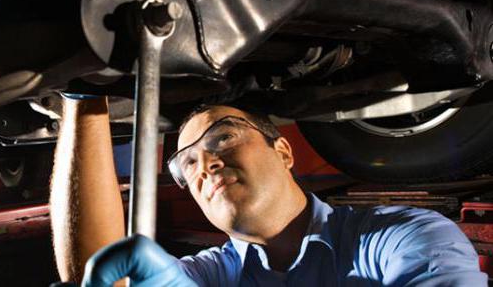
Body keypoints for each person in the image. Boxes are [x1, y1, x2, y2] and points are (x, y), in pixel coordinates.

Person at [50, 96, 487, 286]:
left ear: (283, 152)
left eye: (222, 139)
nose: (205, 164)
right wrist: (85, 96)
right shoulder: (211, 275)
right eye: (187, 163)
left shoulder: (402, 238)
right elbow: (102, 281)